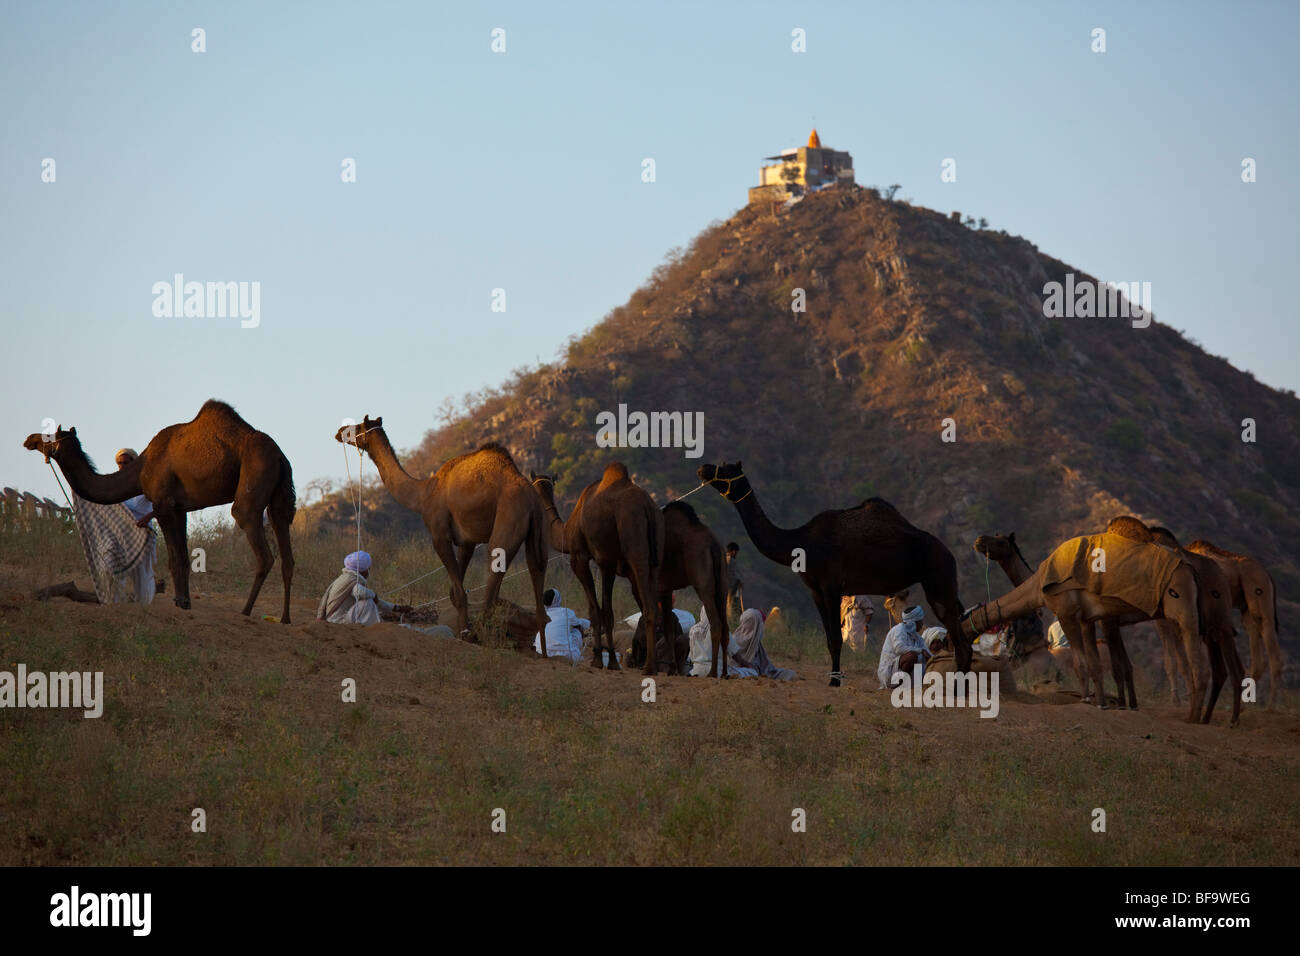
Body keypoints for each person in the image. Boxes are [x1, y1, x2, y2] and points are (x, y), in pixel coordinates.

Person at [690, 607, 795, 680]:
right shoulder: (723, 632)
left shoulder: (693, 630)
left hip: (695, 671)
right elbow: (736, 657)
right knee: (753, 672)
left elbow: (691, 655)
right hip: (717, 671)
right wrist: (748, 665)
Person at [316, 550, 411, 624]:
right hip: (338, 621)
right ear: (363, 570)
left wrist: (397, 608)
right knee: (368, 602)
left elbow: (375, 600)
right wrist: (373, 595)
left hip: (332, 618)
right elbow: (361, 592)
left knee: (369, 600)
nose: (369, 571)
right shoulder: (352, 581)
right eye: (368, 569)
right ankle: (376, 627)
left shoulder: (345, 577)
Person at [113, 448, 156, 604]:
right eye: (120, 463)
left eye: (126, 463)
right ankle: (115, 605)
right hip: (121, 534)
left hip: (142, 534)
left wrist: (147, 518)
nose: (123, 466)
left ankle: (144, 607)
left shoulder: (146, 481)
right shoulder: (115, 485)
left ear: (134, 463)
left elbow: (161, 504)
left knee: (142, 572)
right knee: (116, 569)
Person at [877, 605, 930, 689]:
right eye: (920, 621)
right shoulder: (899, 629)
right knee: (911, 656)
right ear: (914, 622)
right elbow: (899, 648)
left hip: (905, 674)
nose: (922, 624)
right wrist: (920, 651)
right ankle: (897, 685)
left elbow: (928, 654)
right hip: (889, 672)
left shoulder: (917, 638)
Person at [533, 588, 589, 662]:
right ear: (557, 599)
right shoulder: (566, 611)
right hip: (566, 654)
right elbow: (579, 623)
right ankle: (576, 652)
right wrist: (588, 622)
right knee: (578, 628)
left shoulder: (541, 614)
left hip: (540, 651)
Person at [724, 542, 745, 621]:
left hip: (730, 589)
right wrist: (738, 582)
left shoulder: (725, 559)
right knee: (733, 609)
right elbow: (730, 575)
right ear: (734, 551)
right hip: (732, 589)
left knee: (731, 608)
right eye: (737, 552)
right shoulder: (730, 560)